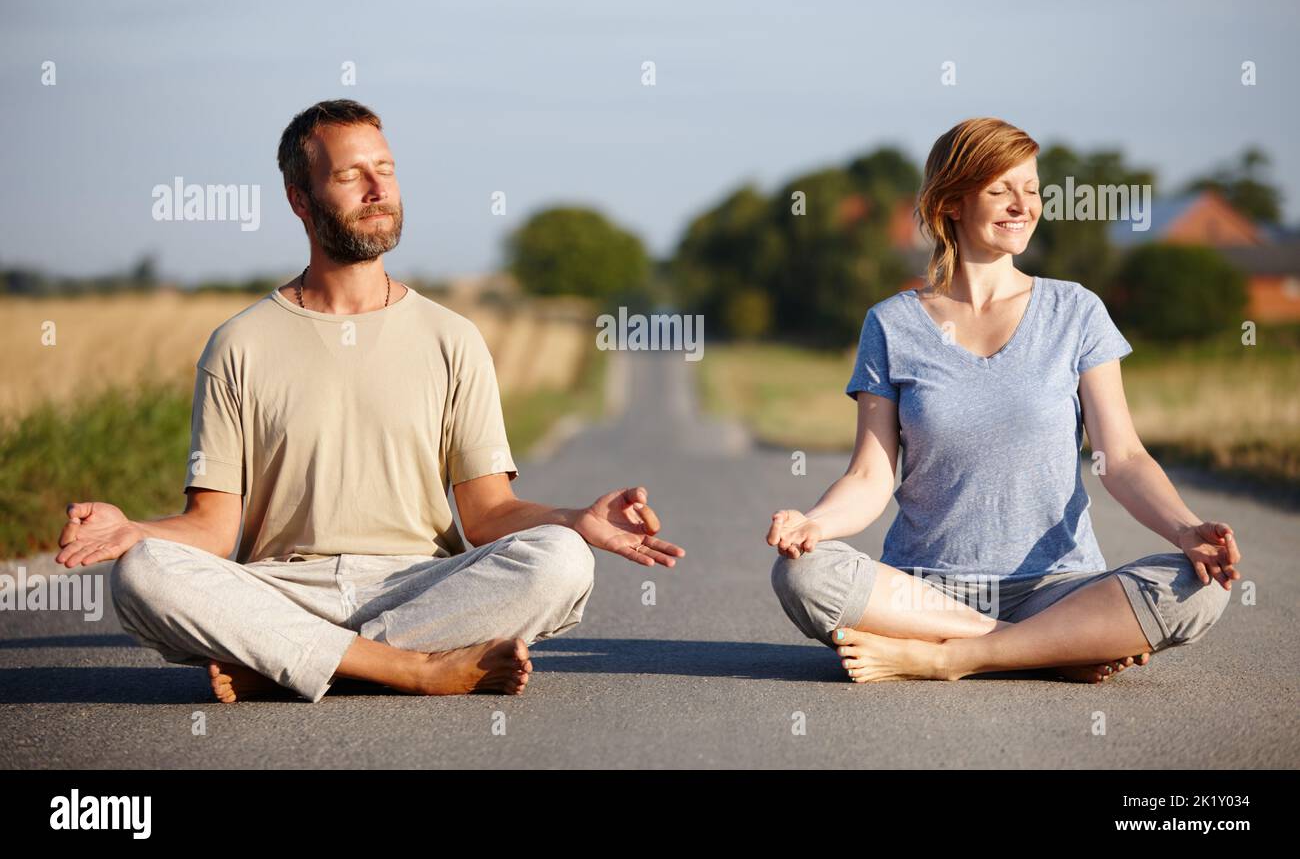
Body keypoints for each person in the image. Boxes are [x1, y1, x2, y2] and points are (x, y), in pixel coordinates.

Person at [56, 99, 684, 703]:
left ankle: (291, 664)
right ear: (300, 199)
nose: (378, 190)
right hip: (281, 589)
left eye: (385, 170)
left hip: (421, 587)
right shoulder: (238, 345)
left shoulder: (453, 339)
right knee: (143, 573)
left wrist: (576, 518)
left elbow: (488, 515)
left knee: (563, 559)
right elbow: (213, 531)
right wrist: (131, 529)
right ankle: (406, 669)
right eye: (352, 175)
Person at [768, 116, 1239, 684]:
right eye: (1000, 190)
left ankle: (950, 656)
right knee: (803, 575)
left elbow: (1124, 458)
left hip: (1058, 589)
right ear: (951, 204)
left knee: (1196, 589)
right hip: (925, 592)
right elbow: (870, 477)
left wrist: (1186, 530)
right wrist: (814, 523)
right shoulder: (891, 324)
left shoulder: (1076, 311)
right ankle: (1045, 650)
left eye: (1032, 189)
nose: (1023, 205)